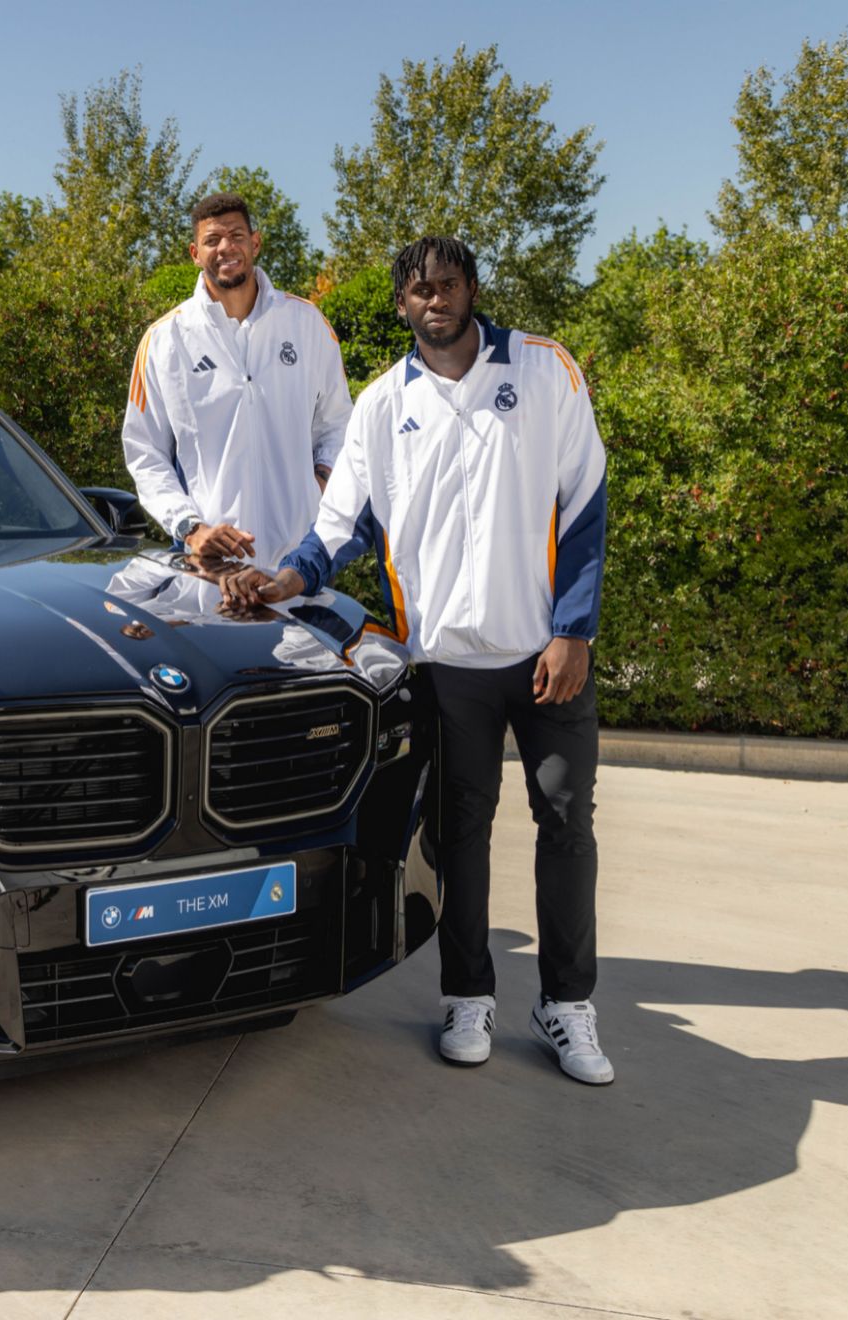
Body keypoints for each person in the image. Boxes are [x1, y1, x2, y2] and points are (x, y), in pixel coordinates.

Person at [220, 236, 613, 1086]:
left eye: (449, 284)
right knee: (460, 835)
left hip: (545, 658)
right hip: (447, 664)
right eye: (420, 290)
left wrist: (574, 630)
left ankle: (567, 1004)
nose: (436, 299)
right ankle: (468, 996)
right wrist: (283, 579)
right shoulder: (382, 404)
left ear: (471, 290)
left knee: (567, 827)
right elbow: (339, 526)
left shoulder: (543, 370)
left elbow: (584, 501)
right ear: (402, 304)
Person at [121, 191, 352, 563]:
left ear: (255, 243)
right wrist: (190, 527)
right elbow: (144, 451)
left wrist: (320, 484)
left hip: (299, 563)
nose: (226, 247)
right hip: (210, 567)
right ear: (195, 253)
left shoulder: (307, 323)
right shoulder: (165, 340)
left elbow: (339, 422)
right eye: (212, 240)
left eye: (236, 236)